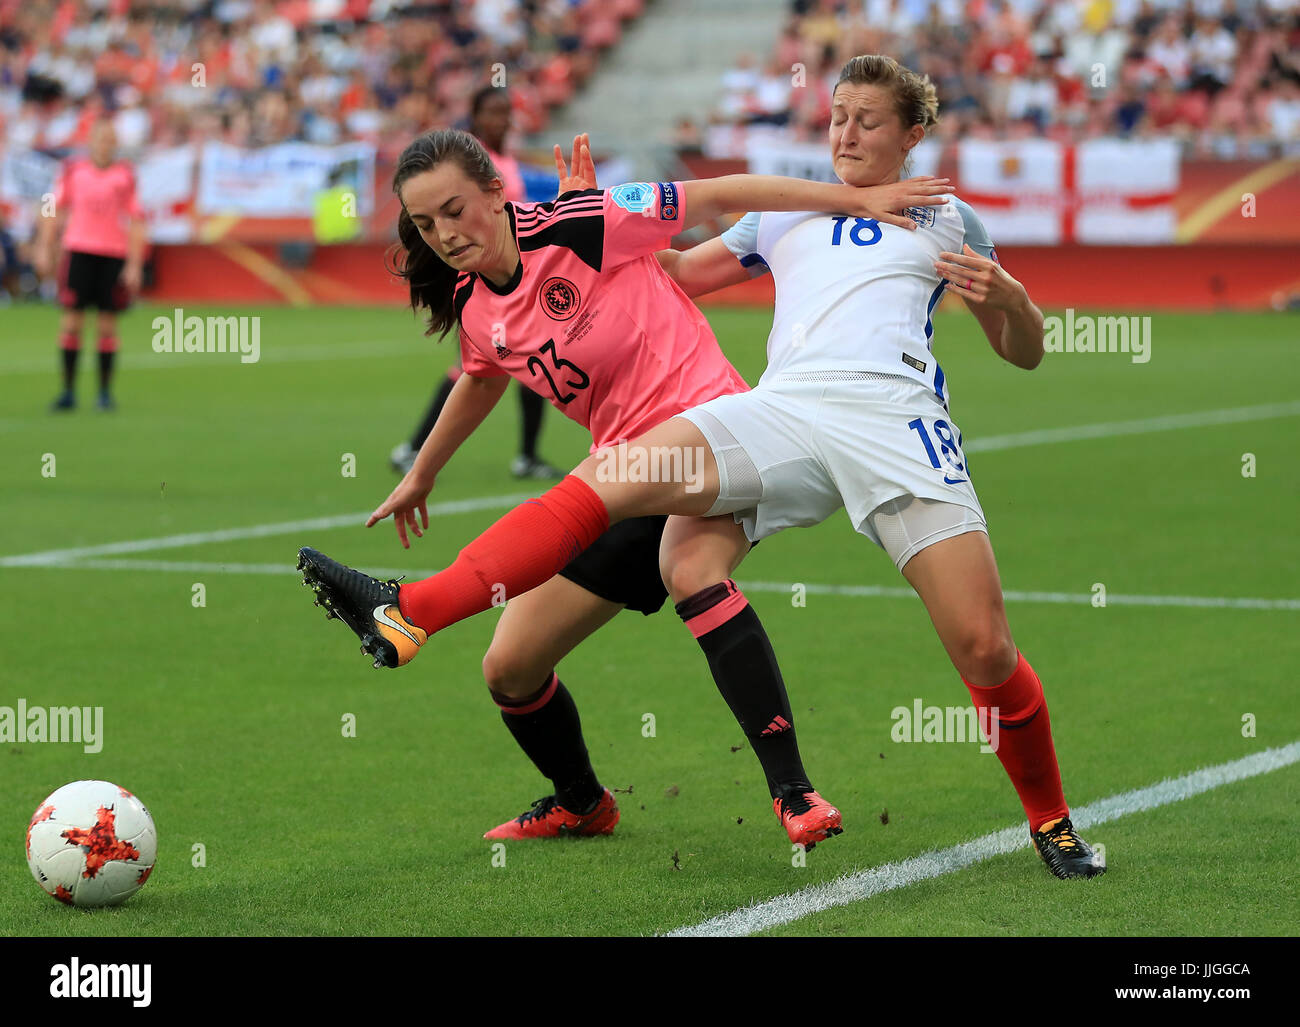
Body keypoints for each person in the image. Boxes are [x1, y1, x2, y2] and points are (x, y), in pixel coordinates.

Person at [299, 55, 1106, 880]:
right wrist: (596, 228)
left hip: (896, 421)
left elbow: (1025, 353)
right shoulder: (784, 218)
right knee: (602, 507)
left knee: (982, 646)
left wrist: (1012, 302)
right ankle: (415, 612)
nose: (847, 133)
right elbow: (680, 271)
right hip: (784, 407)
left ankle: (1052, 823)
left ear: (913, 134)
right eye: (837, 116)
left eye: (868, 119)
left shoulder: (948, 218)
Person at [389, 85, 562, 481]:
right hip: (486, 282)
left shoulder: (506, 161)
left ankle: (525, 455)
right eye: (492, 112)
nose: (501, 119)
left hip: (518, 278)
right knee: (474, 372)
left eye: (506, 111)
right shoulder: (468, 162)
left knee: (533, 362)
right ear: (476, 117)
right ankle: (416, 448)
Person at [35, 120, 145, 412]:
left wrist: (134, 264)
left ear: (115, 143)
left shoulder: (125, 175)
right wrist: (45, 246)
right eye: (100, 139)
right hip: (79, 251)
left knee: (107, 325)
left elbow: (136, 220)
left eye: (110, 139)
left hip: (112, 254)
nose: (105, 144)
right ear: (90, 141)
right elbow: (53, 207)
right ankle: (68, 391)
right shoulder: (74, 171)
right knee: (72, 321)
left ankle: (105, 393)